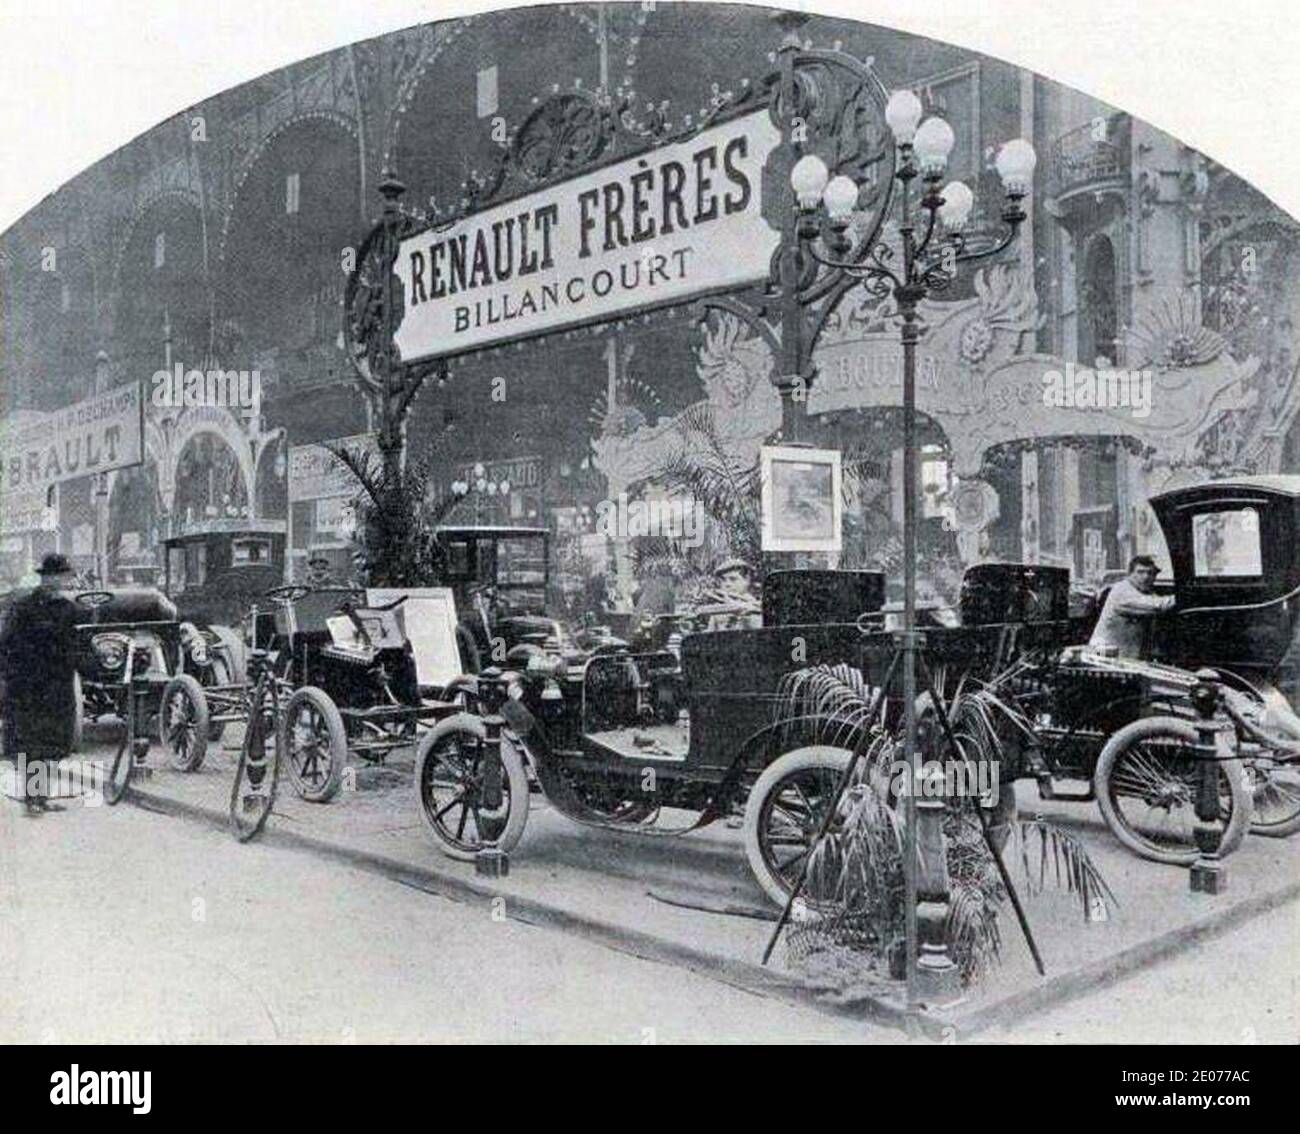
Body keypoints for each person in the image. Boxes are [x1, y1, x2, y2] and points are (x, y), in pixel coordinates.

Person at [0, 553, 81, 815]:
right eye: (53, 577)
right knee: (31, 744)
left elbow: (76, 648)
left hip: (57, 687)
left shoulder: (69, 610)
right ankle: (33, 798)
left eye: (62, 577)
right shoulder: (23, 608)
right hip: (28, 688)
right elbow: (6, 644)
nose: (58, 582)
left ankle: (39, 798)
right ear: (44, 578)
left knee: (53, 744)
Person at [1088, 554, 1174, 659]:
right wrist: (1186, 596)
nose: (1146, 577)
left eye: (1150, 573)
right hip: (1105, 656)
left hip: (1126, 657)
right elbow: (1157, 606)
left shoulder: (1147, 592)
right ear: (1130, 574)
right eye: (1140, 572)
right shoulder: (1121, 591)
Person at [696, 557, 762, 631]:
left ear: (747, 580)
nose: (727, 584)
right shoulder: (719, 609)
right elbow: (709, 637)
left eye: (733, 579)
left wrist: (744, 613)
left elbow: (762, 632)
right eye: (723, 580)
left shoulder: (758, 607)